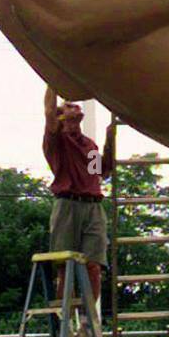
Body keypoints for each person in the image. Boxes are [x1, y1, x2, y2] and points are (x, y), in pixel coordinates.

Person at [42, 88, 115, 306]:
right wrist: (53, 80)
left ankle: (87, 322)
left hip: (93, 206)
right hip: (67, 205)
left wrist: (110, 140)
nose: (73, 104)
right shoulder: (56, 140)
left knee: (93, 265)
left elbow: (100, 172)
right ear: (61, 117)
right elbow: (48, 111)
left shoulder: (88, 145)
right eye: (67, 105)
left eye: (75, 106)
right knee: (66, 266)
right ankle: (64, 321)